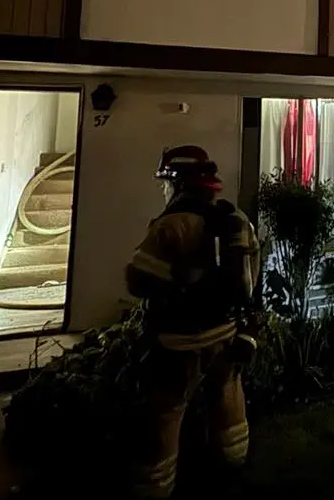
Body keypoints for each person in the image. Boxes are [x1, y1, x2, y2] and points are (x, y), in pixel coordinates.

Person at [127, 145, 261, 498]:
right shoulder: (237, 220)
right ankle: (233, 467)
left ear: (178, 183)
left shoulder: (170, 226)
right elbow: (250, 281)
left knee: (166, 413)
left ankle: (155, 486)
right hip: (226, 337)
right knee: (228, 403)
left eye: (165, 183)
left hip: (176, 345)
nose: (163, 190)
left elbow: (138, 281)